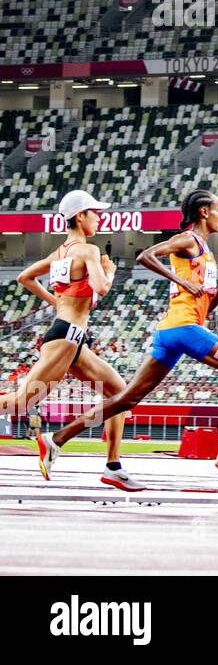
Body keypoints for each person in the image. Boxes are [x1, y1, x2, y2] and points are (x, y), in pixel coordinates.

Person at [37, 189, 218, 481]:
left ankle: (56, 439)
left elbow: (205, 307)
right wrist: (180, 280)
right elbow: (146, 255)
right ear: (204, 212)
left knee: (127, 399)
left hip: (175, 331)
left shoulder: (204, 252)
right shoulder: (188, 240)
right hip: (183, 329)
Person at [1, 190, 141, 491]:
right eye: (95, 213)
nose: (99, 218)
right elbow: (101, 289)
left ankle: (113, 466)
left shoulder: (59, 254)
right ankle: (65, 448)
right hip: (65, 337)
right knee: (21, 402)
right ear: (80, 216)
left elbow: (24, 277)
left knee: (120, 395)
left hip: (71, 337)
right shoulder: (87, 251)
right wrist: (110, 271)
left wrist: (57, 302)